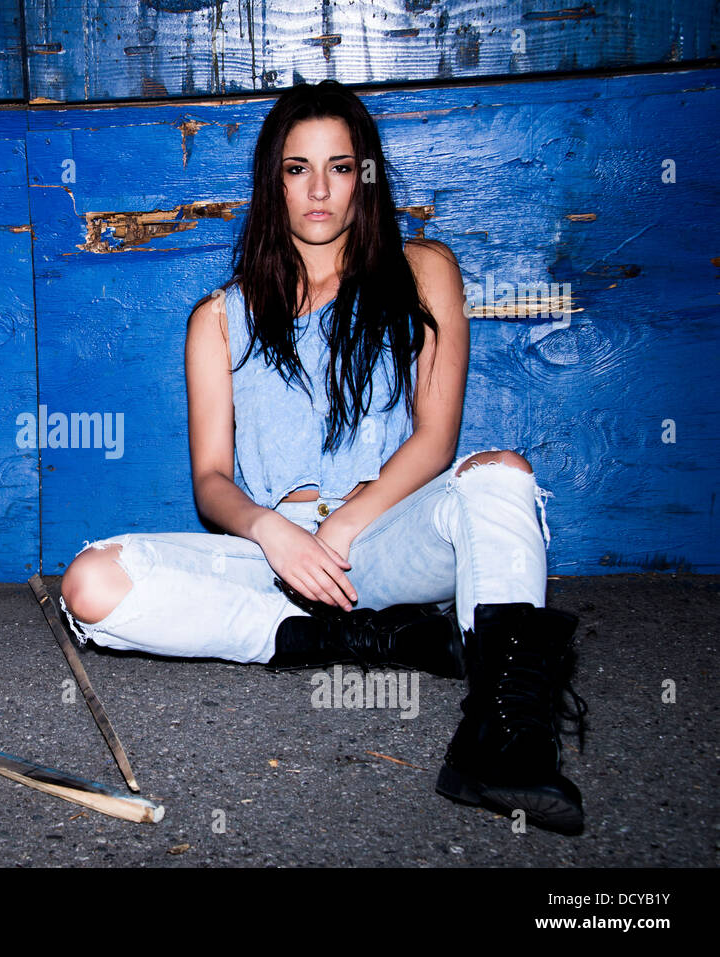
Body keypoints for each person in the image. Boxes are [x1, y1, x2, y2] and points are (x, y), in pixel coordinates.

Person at [58, 80, 588, 835]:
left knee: (500, 475)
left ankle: (503, 739)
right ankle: (353, 637)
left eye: (339, 168)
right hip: (278, 559)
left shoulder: (422, 269)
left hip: (384, 536)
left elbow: (436, 436)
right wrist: (276, 532)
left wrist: (344, 528)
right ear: (272, 183)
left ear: (363, 176)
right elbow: (211, 480)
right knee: (91, 582)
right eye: (297, 169)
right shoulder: (218, 316)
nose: (318, 189)